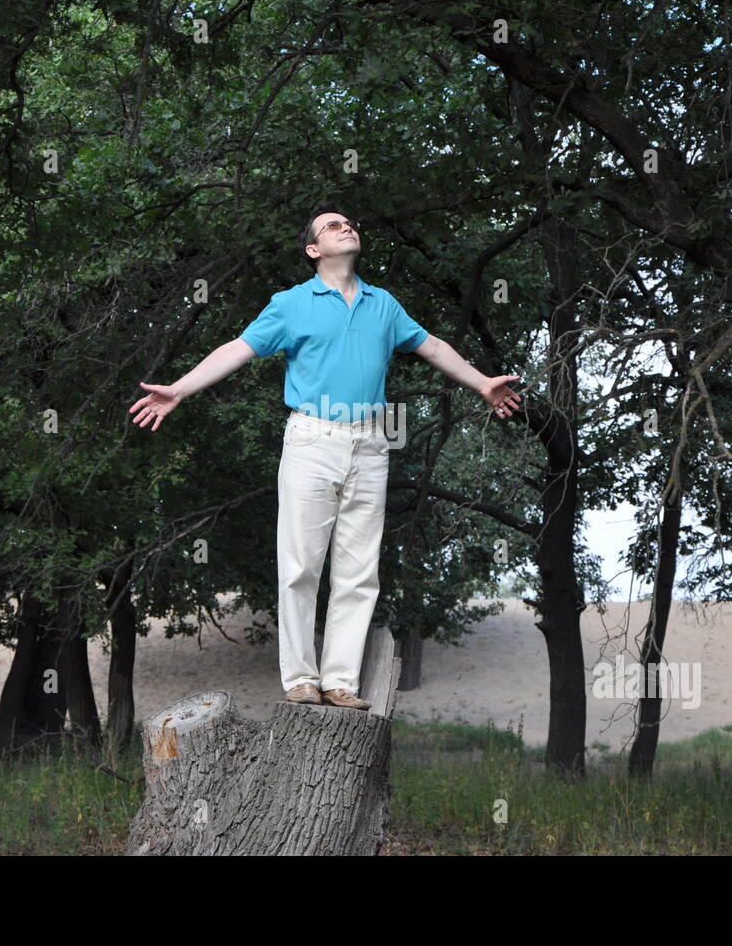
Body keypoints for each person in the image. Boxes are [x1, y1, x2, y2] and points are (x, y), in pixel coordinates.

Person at [129, 204, 522, 709]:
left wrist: (483, 382)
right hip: (313, 438)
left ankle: (341, 680)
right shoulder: (292, 303)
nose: (347, 227)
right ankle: (300, 678)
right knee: (300, 566)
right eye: (333, 226)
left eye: (350, 222)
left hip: (372, 441)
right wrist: (179, 390)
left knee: (360, 571)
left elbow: (433, 346)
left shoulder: (383, 304)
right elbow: (238, 348)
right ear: (314, 250)